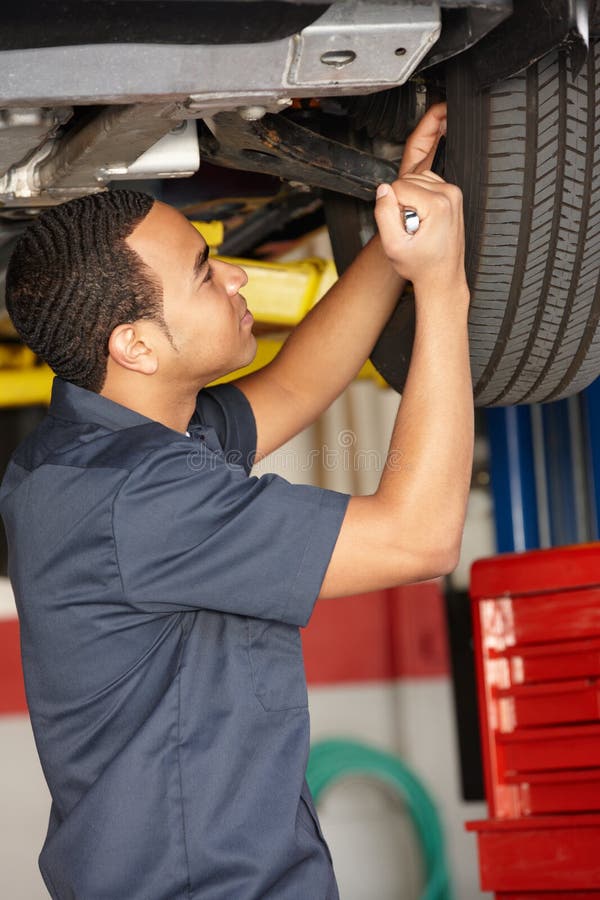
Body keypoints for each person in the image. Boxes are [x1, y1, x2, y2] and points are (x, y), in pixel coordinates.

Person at [0, 103, 472, 900]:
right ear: (135, 346)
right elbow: (419, 539)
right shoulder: (136, 498)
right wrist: (444, 287)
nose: (237, 274)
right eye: (203, 272)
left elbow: (297, 382)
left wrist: (405, 229)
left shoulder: (107, 440)